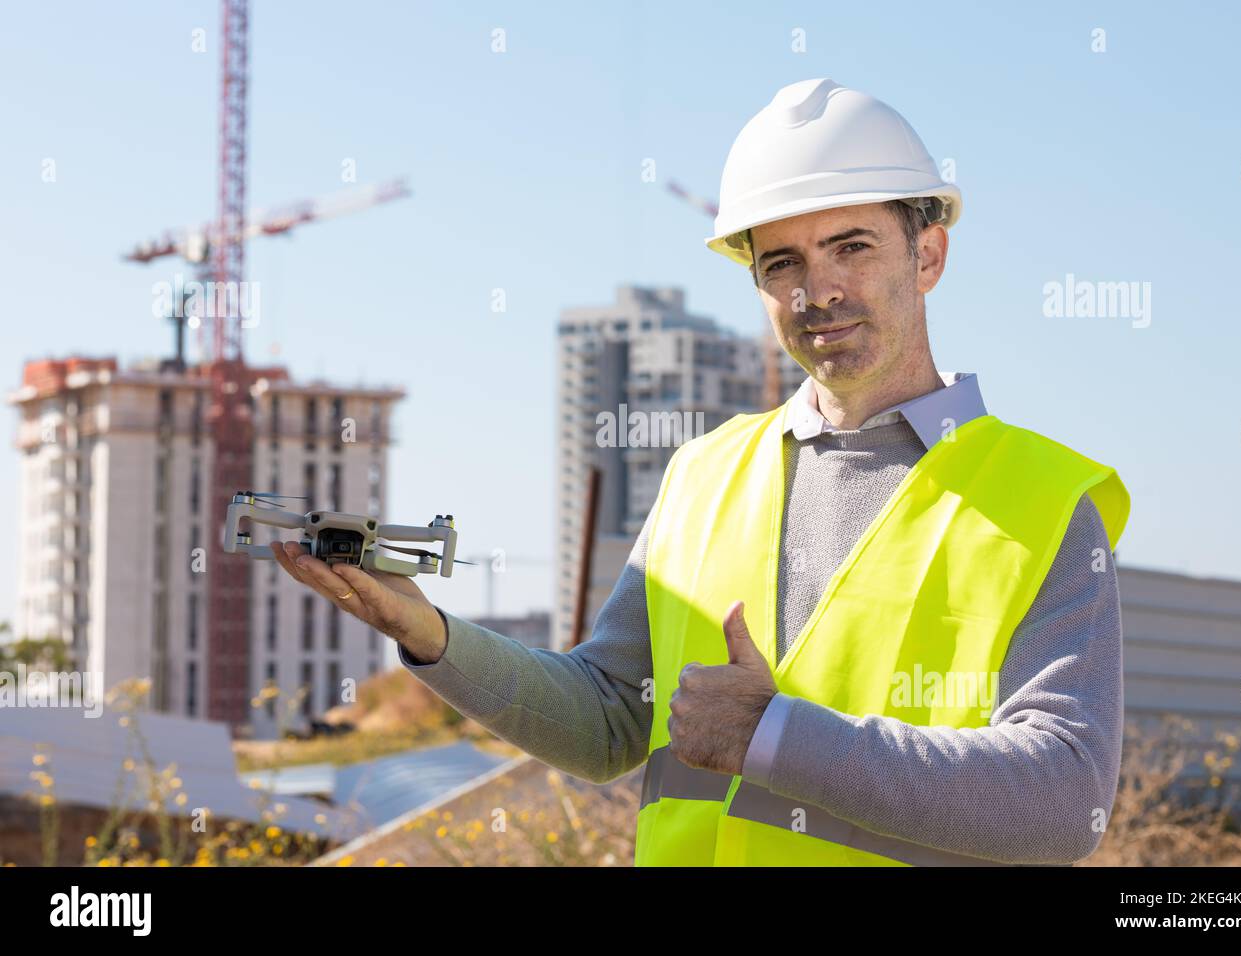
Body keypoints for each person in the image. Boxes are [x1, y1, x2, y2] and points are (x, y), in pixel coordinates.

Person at [271, 78, 1130, 866]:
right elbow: (610, 720)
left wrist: (775, 736)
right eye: (781, 263)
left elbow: (1062, 802)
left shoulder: (1042, 503)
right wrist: (432, 636)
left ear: (928, 255)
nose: (816, 292)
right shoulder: (704, 475)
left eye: (851, 247)